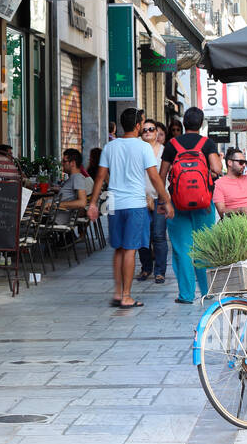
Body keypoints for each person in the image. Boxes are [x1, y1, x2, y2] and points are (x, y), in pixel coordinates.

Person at [86, 108, 172, 310]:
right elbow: (154, 176)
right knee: (130, 250)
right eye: (142, 122)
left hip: (113, 201)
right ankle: (126, 296)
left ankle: (117, 293)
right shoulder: (143, 148)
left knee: (118, 249)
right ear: (137, 125)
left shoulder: (110, 146)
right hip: (134, 202)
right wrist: (165, 200)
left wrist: (93, 203)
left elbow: (100, 177)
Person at [159, 107, 223, 304]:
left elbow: (161, 176)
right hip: (203, 205)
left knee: (182, 248)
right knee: (204, 247)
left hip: (178, 205)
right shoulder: (207, 143)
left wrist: (165, 201)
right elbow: (217, 169)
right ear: (201, 124)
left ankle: (186, 295)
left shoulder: (172, 145)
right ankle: (207, 291)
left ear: (184, 123)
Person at [136, 120, 169, 284]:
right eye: (144, 130)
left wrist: (160, 198)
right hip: (141, 200)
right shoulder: (137, 152)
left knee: (158, 235)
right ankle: (146, 268)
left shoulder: (164, 152)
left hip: (160, 200)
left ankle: (160, 271)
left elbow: (167, 180)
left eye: (151, 129)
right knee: (143, 237)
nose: (148, 132)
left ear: (157, 133)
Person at [55, 149, 93, 226]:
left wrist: (56, 204)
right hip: (54, 215)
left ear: (72, 163)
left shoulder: (77, 178)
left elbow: (82, 202)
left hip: (56, 220)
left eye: (64, 161)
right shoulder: (73, 178)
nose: (62, 164)